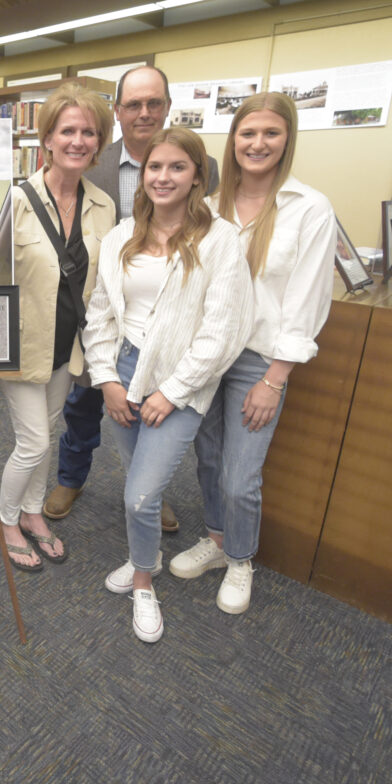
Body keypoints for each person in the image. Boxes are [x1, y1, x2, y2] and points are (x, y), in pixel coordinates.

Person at [170, 92, 336, 614]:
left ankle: (241, 559)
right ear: (233, 139)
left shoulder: (309, 208)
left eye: (270, 133)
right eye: (248, 133)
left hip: (258, 362)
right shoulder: (208, 204)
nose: (258, 143)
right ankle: (217, 541)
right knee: (207, 458)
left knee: (241, 476)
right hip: (206, 353)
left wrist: (274, 378)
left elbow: (308, 299)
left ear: (287, 139)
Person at [84, 127, 252, 643]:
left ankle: (142, 583)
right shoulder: (121, 236)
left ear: (198, 176)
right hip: (124, 373)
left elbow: (223, 331)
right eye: (154, 167)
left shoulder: (220, 239)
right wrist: (106, 379)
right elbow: (100, 315)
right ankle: (150, 557)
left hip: (181, 382)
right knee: (138, 480)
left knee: (139, 497)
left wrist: (172, 392)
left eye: (177, 167)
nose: (163, 177)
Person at [45, 66, 220, 531]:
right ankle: (70, 477)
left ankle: (148, 491)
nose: (144, 113)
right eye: (134, 104)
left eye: (154, 103)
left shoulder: (202, 164)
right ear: (117, 111)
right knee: (83, 405)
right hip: (96, 313)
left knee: (154, 417)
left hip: (165, 321)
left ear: (167, 107)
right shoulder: (90, 160)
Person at [0, 83, 116, 572]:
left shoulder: (104, 206)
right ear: (48, 140)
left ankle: (34, 514)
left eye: (88, 132)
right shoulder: (15, 199)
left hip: (67, 347)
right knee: (33, 441)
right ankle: (7, 520)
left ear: (98, 143)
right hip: (19, 346)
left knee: (49, 433)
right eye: (67, 130)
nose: (78, 141)